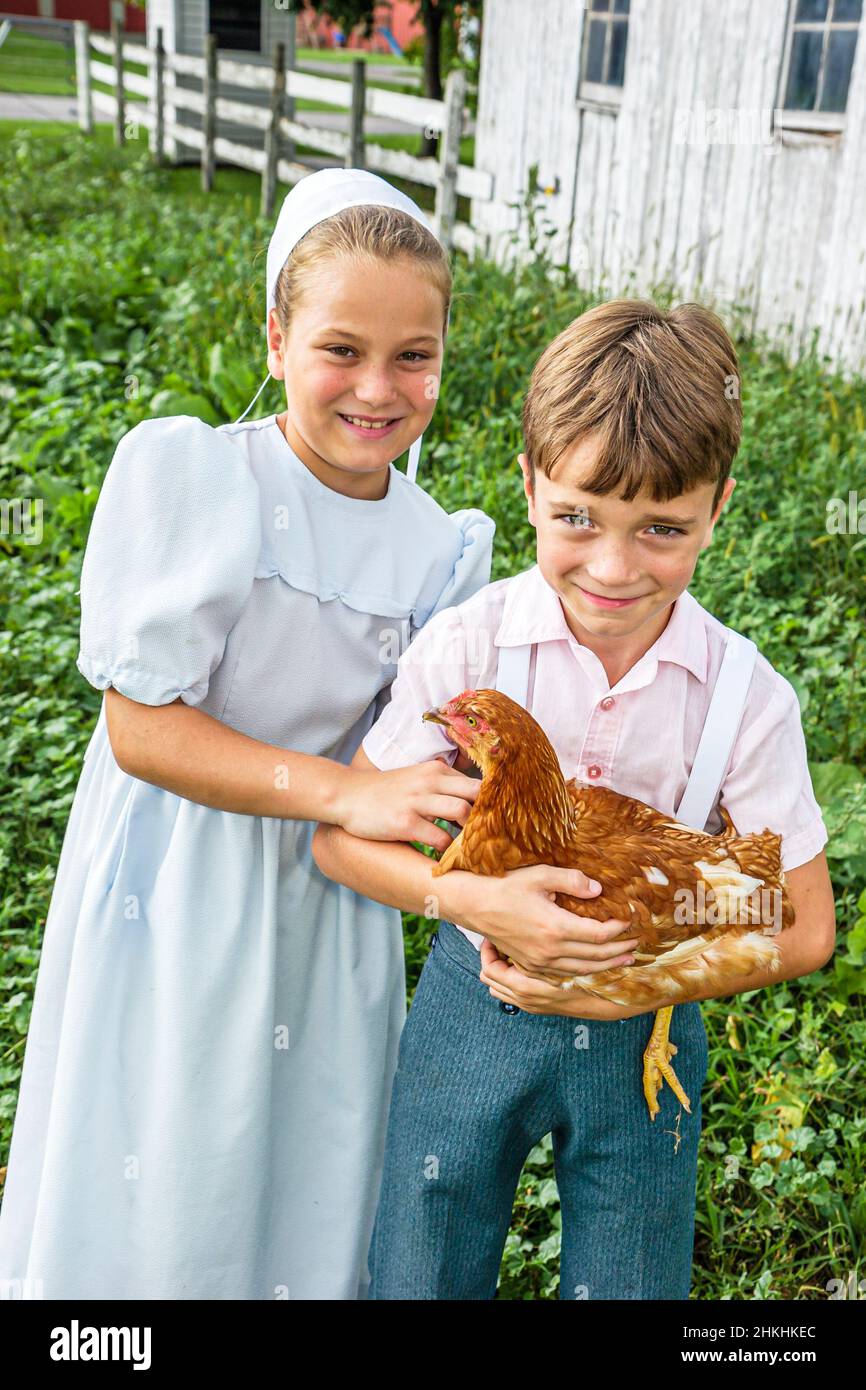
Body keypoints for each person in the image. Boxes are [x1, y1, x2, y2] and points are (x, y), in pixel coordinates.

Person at [0, 168, 497, 1301]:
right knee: (169, 1134)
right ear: (274, 337)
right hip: (179, 881)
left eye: (412, 355)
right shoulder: (204, 482)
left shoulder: (436, 548)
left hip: (325, 900)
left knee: (307, 1142)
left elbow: (408, 750)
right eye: (339, 348)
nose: (376, 388)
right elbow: (142, 731)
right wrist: (341, 792)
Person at [312, 298, 837, 1300]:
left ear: (717, 509)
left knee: (633, 1268)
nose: (611, 565)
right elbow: (340, 844)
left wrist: (640, 980)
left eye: (662, 529)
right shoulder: (471, 648)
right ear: (526, 485)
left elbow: (800, 926)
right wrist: (465, 899)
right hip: (476, 995)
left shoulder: (743, 699)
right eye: (575, 518)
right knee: (425, 1243)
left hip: (648, 1024)